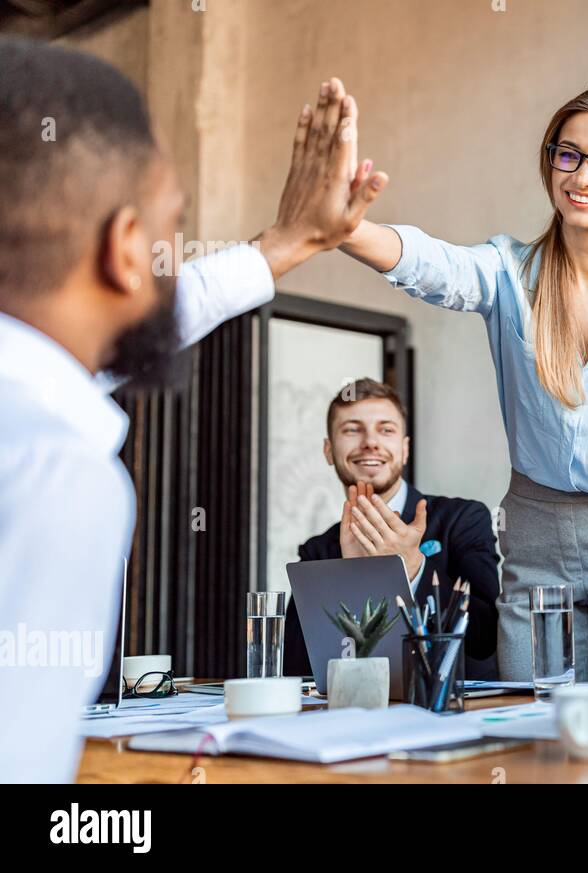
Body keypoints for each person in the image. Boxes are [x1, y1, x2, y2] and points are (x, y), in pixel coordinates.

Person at [0, 36, 385, 782]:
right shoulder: (52, 472)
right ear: (124, 248)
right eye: (172, 230)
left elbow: (118, 333)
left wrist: (287, 242)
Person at [310, 83, 588, 682]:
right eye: (566, 154)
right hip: (535, 539)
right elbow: (432, 265)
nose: (581, 176)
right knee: (532, 731)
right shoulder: (508, 272)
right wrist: (346, 229)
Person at [282, 379, 500, 679]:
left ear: (405, 449)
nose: (370, 442)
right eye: (352, 429)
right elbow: (295, 668)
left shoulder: (462, 520)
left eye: (386, 429)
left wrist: (413, 569)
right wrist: (351, 578)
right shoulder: (317, 551)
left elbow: (486, 637)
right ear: (329, 451)